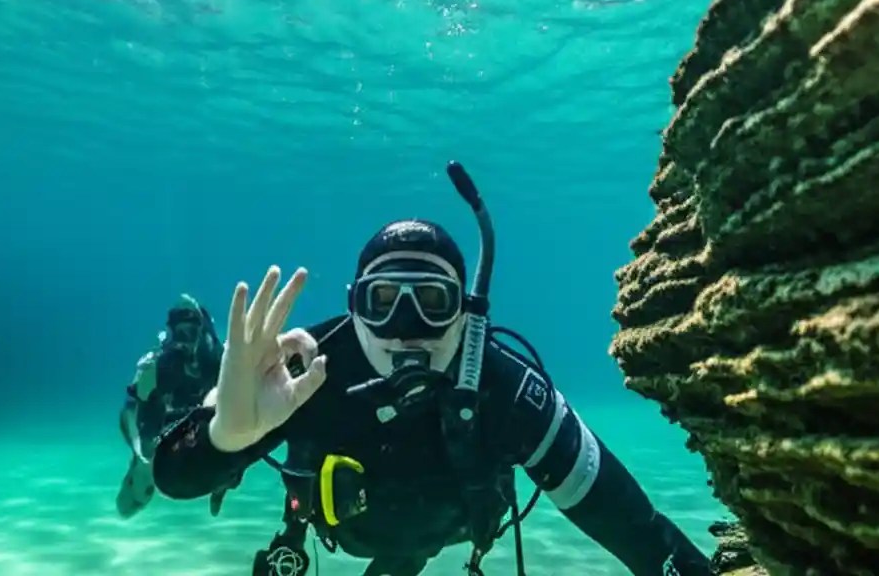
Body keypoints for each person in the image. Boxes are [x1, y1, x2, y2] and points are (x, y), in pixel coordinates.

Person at [152, 163, 712, 576]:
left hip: (436, 538)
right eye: (383, 300)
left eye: (433, 302)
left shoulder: (505, 387)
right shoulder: (304, 370)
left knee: (407, 559)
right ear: (354, 307)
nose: (406, 326)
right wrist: (224, 437)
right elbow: (176, 479)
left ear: (466, 311)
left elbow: (637, 530)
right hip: (340, 533)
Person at [115, 294, 223, 518]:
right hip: (167, 426)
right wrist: (139, 450)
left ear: (200, 333)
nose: (184, 340)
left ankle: (221, 484)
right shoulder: (158, 364)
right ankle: (143, 472)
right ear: (171, 333)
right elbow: (129, 410)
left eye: (190, 333)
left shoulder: (215, 361)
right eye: (179, 333)